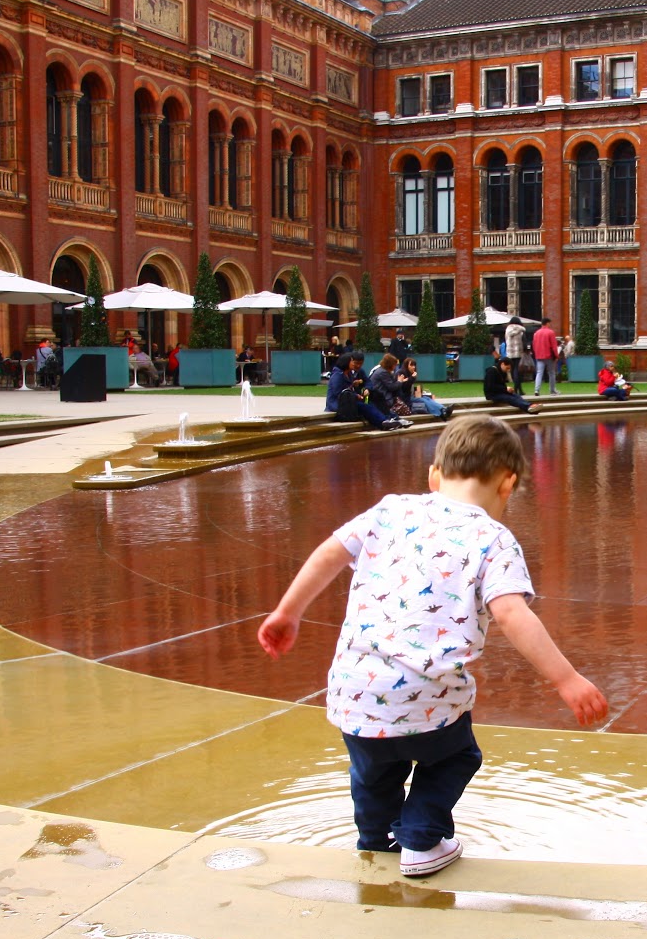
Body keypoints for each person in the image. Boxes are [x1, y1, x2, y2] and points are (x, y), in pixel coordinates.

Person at [257, 414, 608, 877]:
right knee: (457, 755)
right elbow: (511, 613)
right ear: (508, 484)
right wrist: (566, 678)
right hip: (428, 694)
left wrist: (288, 611)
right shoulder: (493, 539)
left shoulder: (389, 510)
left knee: (372, 769)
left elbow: (329, 553)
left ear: (434, 476)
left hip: (355, 688)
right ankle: (421, 840)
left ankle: (376, 840)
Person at [327, 351, 407, 430]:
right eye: (352, 362)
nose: (354, 364)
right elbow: (338, 392)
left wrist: (366, 389)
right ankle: (382, 422)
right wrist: (355, 395)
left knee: (374, 399)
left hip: (351, 400)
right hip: (339, 404)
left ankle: (389, 418)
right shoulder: (337, 375)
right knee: (364, 406)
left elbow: (368, 382)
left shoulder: (349, 374)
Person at [531, 317, 559, 395]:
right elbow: (554, 345)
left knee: (539, 373)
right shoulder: (550, 332)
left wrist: (536, 353)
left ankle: (536, 390)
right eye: (549, 323)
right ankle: (552, 390)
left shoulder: (536, 333)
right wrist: (556, 356)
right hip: (549, 355)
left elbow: (534, 344)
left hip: (539, 356)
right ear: (547, 323)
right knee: (551, 373)